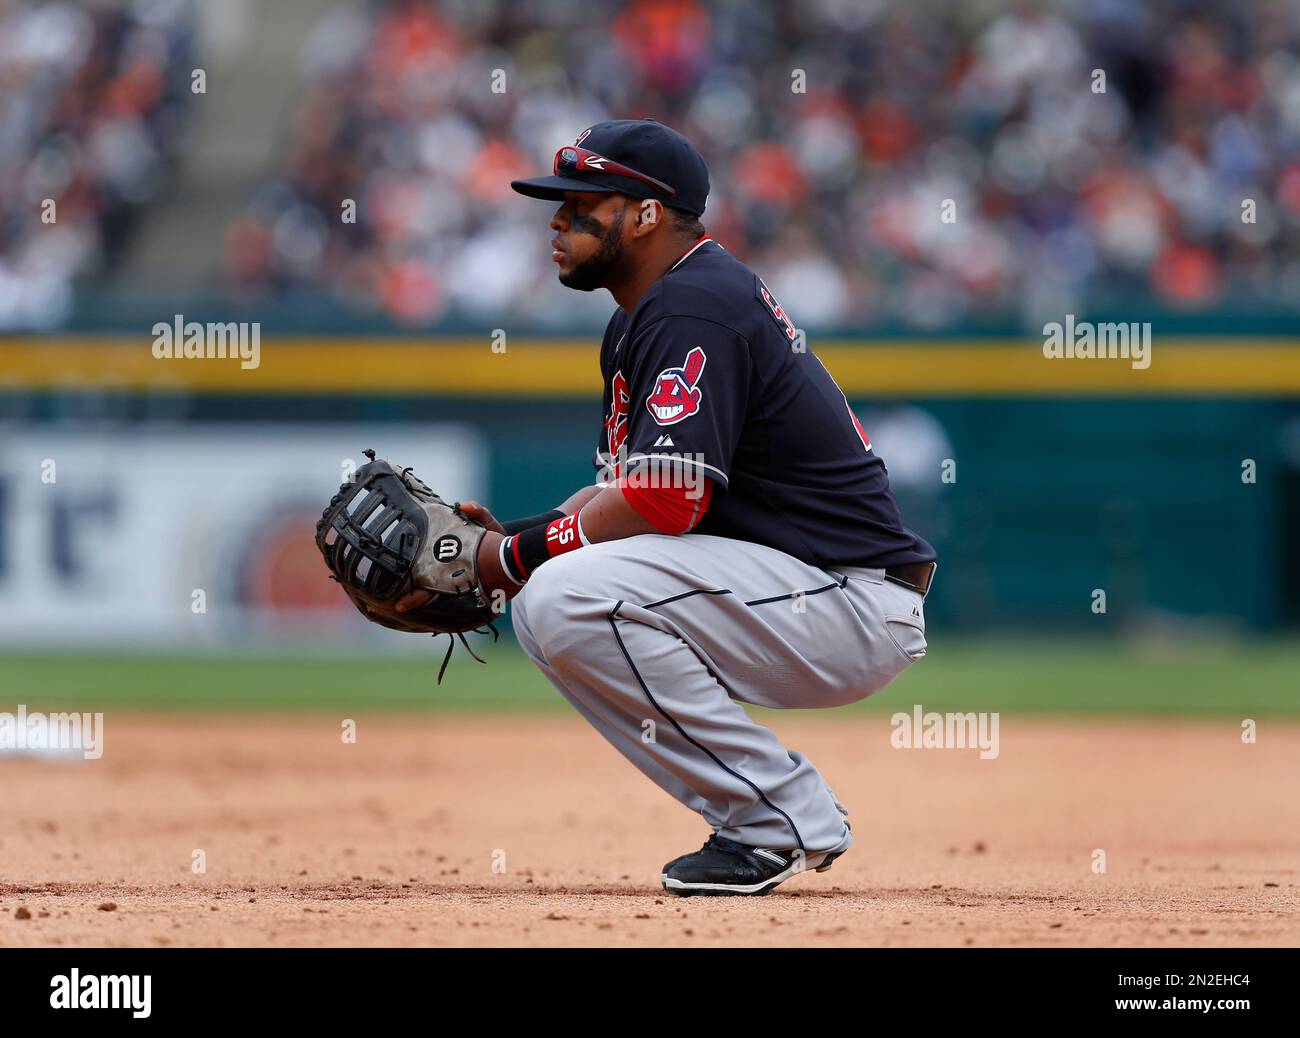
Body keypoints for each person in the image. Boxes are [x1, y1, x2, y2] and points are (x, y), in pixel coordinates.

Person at [403, 119, 937, 896]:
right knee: (552, 601)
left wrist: (514, 560)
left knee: (562, 596)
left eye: (581, 203)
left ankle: (775, 819)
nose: (557, 221)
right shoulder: (646, 315)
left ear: (646, 214)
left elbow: (666, 499)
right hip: (786, 586)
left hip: (846, 596)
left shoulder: (694, 305)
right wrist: (511, 543)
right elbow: (621, 495)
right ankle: (772, 814)